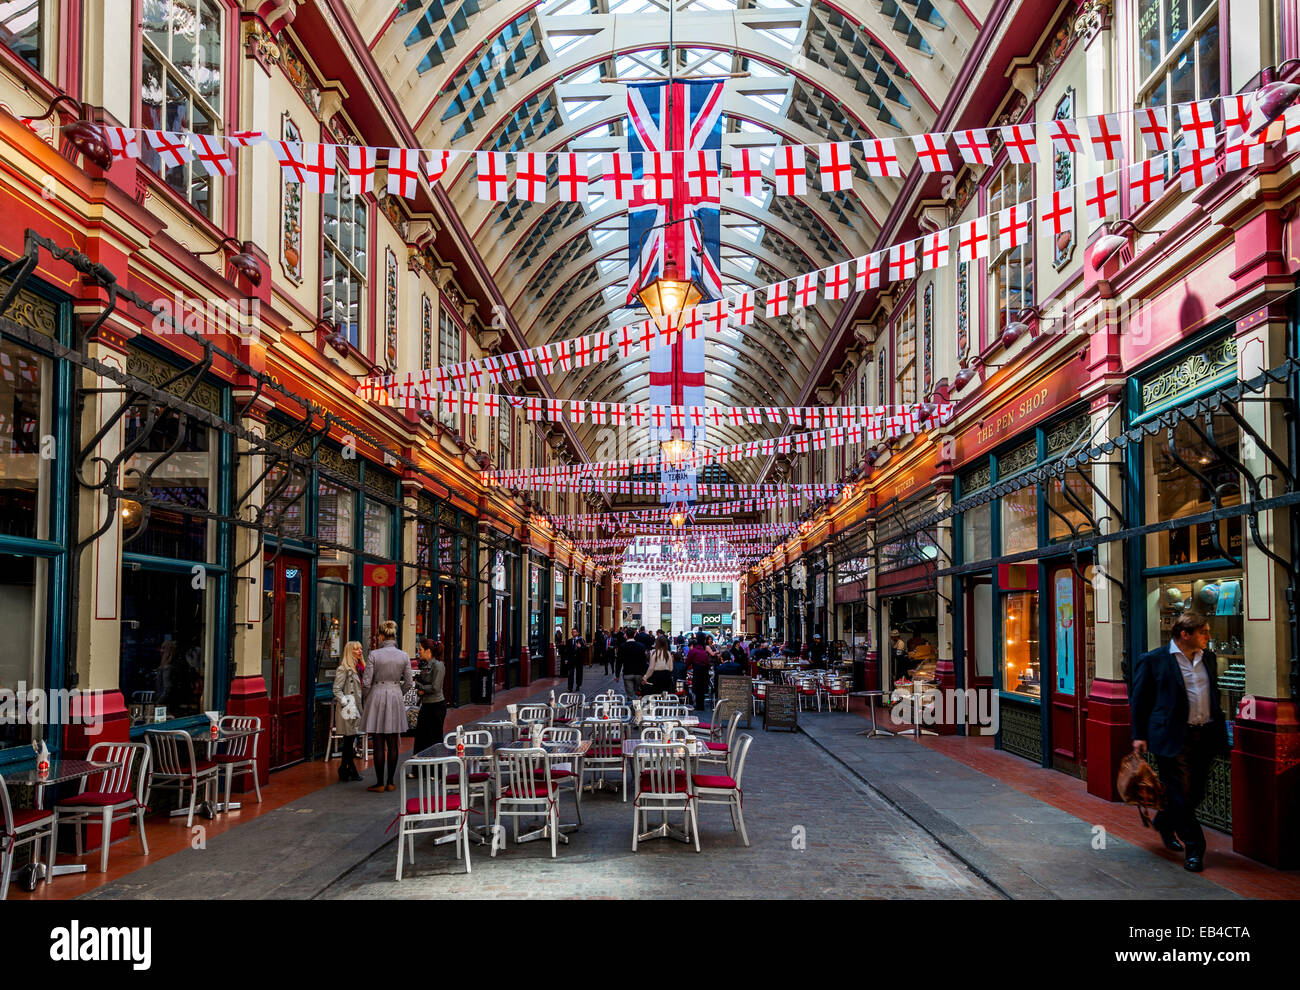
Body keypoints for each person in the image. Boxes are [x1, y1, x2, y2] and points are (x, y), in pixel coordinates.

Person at [1130, 612, 1228, 873]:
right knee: (1181, 793)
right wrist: (1139, 735)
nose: (1208, 636)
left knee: (1195, 792)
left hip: (1205, 734)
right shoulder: (1153, 660)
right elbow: (1139, 700)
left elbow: (1213, 694)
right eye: (1203, 631)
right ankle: (1195, 847)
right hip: (1172, 736)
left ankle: (1164, 821)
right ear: (1185, 634)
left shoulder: (1208, 657)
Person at [361, 621, 414, 793]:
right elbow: (409, 682)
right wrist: (398, 693)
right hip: (395, 694)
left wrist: (366, 698)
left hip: (377, 693)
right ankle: (391, 781)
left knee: (378, 741)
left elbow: (366, 682)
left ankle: (379, 782)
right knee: (393, 742)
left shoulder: (374, 655)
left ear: (382, 636)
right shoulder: (404, 655)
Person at [332, 640, 364, 782]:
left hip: (357, 707)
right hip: (349, 708)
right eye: (356, 649)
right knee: (348, 740)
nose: (360, 651)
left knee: (349, 740)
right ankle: (349, 770)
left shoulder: (360, 668)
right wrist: (345, 702)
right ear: (349, 652)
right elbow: (336, 689)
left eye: (361, 649)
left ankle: (345, 769)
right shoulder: (343, 669)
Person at [411, 638, 446, 761]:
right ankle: (419, 769)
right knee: (421, 737)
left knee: (434, 738)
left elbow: (436, 687)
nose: (418, 652)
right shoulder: (425, 664)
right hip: (426, 705)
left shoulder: (438, 665)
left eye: (420, 649)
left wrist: (420, 687)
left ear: (428, 650)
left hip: (436, 706)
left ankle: (436, 769)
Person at [618, 630, 648, 700]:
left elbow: (619, 661)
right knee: (637, 692)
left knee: (630, 694)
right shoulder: (641, 646)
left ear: (626, 635)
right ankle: (637, 707)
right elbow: (644, 661)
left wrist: (617, 675)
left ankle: (631, 707)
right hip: (639, 673)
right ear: (634, 635)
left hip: (627, 673)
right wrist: (645, 675)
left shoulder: (622, 646)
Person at [687, 634, 712, 711]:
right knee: (702, 688)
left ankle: (698, 705)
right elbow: (707, 662)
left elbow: (688, 661)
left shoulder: (693, 651)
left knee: (697, 688)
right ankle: (701, 705)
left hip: (697, 670)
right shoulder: (703, 651)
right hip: (704, 670)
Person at [565, 626, 586, 691]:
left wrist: (580, 647)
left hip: (579, 659)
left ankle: (578, 685)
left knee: (579, 673)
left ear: (577, 633)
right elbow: (567, 651)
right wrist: (566, 659)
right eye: (572, 632)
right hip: (571, 659)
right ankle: (570, 688)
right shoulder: (569, 641)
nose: (573, 633)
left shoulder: (581, 640)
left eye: (574, 632)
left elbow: (584, 649)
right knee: (570, 673)